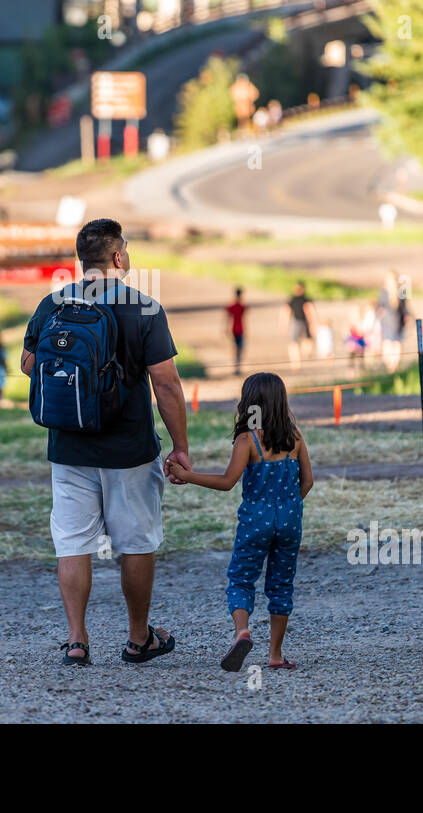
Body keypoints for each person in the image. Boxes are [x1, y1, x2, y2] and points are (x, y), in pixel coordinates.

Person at [21, 218, 189, 666]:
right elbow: (167, 386)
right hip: (130, 451)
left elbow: (28, 364)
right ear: (118, 257)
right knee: (135, 542)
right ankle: (138, 639)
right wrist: (181, 447)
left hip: (69, 448)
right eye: (126, 249)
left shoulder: (53, 303)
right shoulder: (145, 308)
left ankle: (78, 641)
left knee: (72, 543)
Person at [168, 372, 313, 672]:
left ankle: (242, 633)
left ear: (249, 404)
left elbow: (226, 481)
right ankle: (275, 655)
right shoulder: (295, 438)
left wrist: (187, 476)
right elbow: (308, 481)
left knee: (241, 578)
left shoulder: (248, 439)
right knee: (281, 584)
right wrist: (289, 507)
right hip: (289, 521)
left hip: (254, 523)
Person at [280, 281, 319, 370]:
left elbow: (310, 312)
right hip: (297, 322)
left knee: (306, 341)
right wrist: (284, 324)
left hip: (304, 322)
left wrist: (313, 323)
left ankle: (300, 357)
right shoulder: (293, 299)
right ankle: (296, 361)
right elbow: (286, 312)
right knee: (295, 343)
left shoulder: (305, 299)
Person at [376, 271, 409, 373]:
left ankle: (390, 367)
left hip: (387, 322)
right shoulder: (402, 291)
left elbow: (379, 308)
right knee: (397, 344)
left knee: (387, 344)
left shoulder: (383, 292)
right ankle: (394, 366)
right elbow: (405, 309)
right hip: (398, 322)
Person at [225, 287, 247, 375]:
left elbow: (228, 318)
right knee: (239, 349)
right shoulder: (242, 306)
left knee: (235, 348)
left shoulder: (232, 306)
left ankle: (236, 366)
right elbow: (244, 319)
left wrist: (226, 328)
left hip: (234, 329)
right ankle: (238, 366)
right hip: (240, 329)